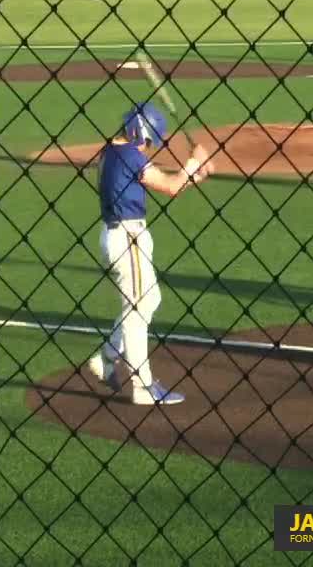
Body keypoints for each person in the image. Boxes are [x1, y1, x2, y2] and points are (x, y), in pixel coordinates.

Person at [86, 103, 214, 405]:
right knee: (138, 308)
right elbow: (170, 186)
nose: (148, 147)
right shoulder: (129, 155)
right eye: (148, 141)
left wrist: (195, 173)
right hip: (127, 238)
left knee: (149, 299)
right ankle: (142, 387)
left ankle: (106, 357)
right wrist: (194, 164)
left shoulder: (111, 152)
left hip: (120, 235)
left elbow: (171, 182)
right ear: (139, 133)